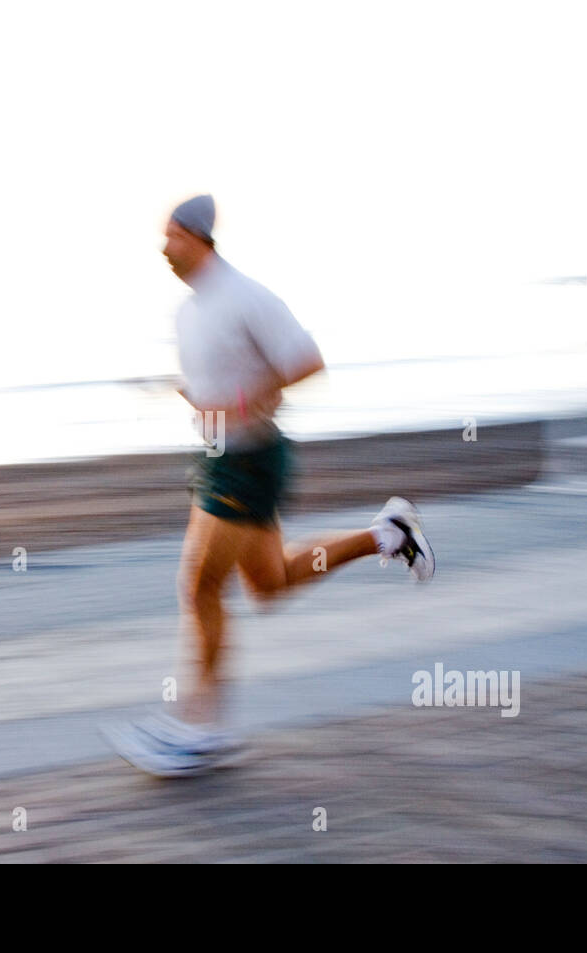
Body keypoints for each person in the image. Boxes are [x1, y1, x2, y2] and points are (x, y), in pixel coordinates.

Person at [104, 194, 435, 778]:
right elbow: (218, 377)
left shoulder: (246, 297)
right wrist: (186, 392)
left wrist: (243, 401)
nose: (162, 248)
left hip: (249, 461)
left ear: (198, 238)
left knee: (199, 586)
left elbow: (306, 362)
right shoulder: (191, 310)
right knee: (270, 583)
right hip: (215, 458)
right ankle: (387, 532)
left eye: (171, 237)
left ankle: (200, 726)